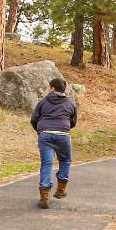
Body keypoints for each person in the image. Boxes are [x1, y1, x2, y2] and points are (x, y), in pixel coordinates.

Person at [30, 77, 77, 208]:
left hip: (45, 135)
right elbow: (73, 122)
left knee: (47, 164)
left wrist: (41, 130)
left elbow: (34, 119)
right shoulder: (70, 103)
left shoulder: (43, 102)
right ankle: (61, 190)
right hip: (63, 135)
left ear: (52, 88)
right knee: (65, 160)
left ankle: (44, 197)